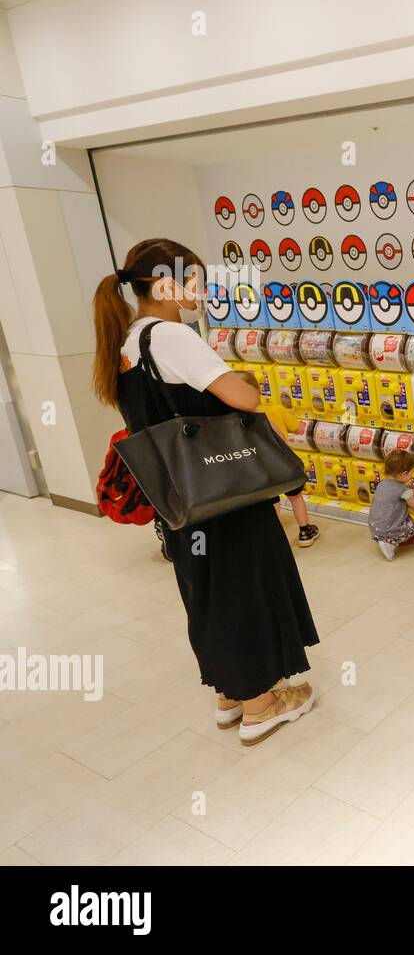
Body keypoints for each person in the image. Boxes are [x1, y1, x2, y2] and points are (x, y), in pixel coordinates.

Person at [92, 239, 318, 748]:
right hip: (226, 489)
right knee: (244, 585)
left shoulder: (127, 340)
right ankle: (262, 705)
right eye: (194, 278)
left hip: (182, 496)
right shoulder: (171, 336)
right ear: (166, 283)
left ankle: (230, 696)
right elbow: (243, 397)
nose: (203, 288)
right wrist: (243, 381)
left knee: (206, 591)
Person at [233, 370, 320, 547]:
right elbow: (298, 429)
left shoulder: (237, 419)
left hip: (261, 467)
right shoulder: (276, 409)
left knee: (272, 501)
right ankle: (305, 531)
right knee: (296, 497)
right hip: (285, 464)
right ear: (258, 390)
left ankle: (274, 536)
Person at [368, 449, 414, 559]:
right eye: (412, 473)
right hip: (389, 529)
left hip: (374, 527)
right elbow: (413, 505)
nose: (412, 476)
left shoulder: (382, 484)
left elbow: (399, 493)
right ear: (404, 474)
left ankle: (384, 540)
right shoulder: (403, 490)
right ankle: (391, 542)